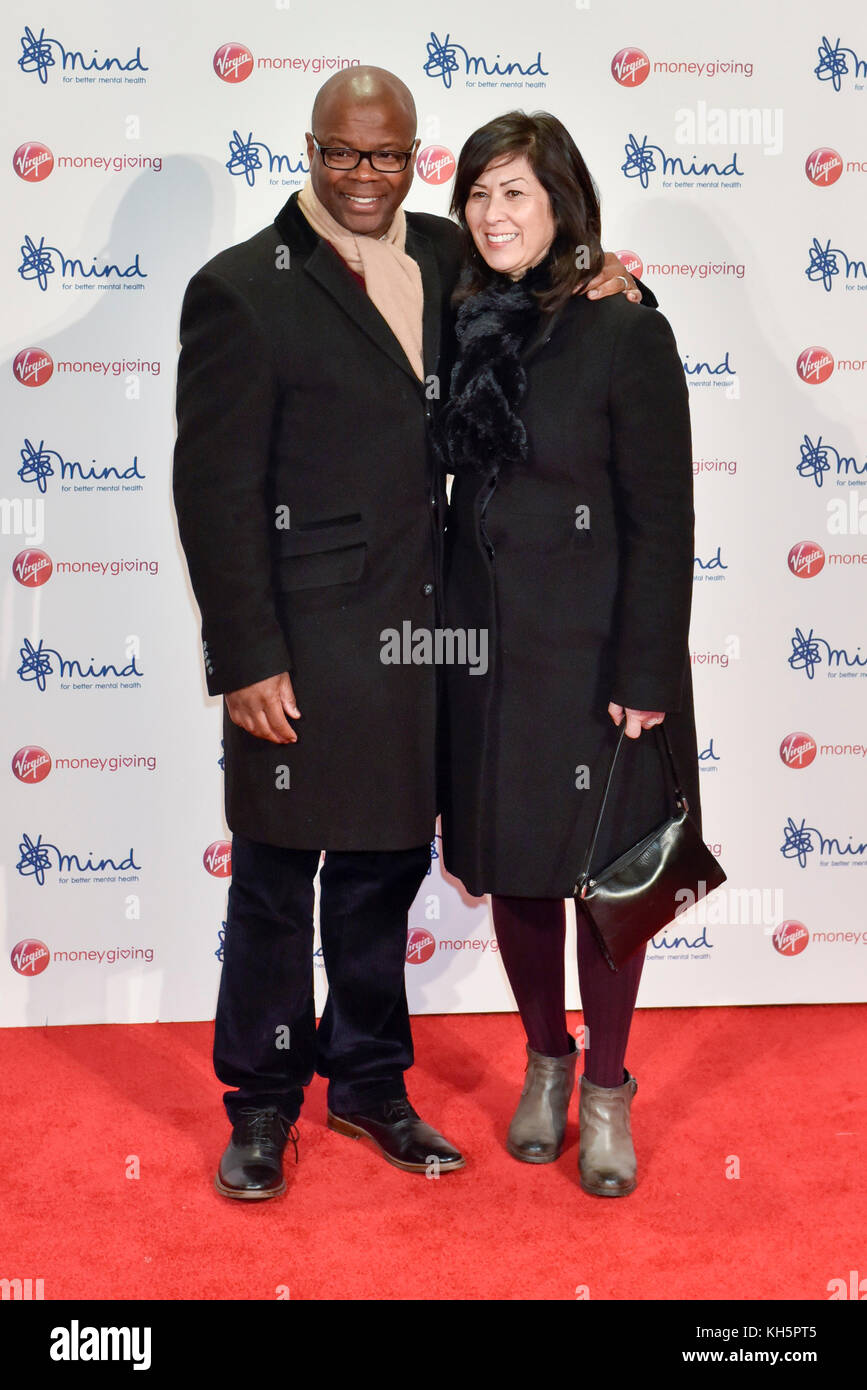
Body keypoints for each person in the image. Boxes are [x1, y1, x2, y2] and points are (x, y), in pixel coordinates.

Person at [173, 71, 647, 1201]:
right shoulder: (241, 289)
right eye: (346, 154)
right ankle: (263, 1102)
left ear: (413, 160)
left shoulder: (444, 255)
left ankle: (372, 1084)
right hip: (295, 642)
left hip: (421, 641)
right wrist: (244, 656)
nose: (367, 177)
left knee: (381, 872)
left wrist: (608, 274)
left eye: (389, 158)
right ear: (310, 149)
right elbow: (213, 489)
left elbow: (545, 272)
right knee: (279, 881)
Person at [438, 111, 700, 1197]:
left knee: (612, 877)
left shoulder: (625, 328)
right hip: (484, 646)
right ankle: (544, 1055)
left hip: (597, 654)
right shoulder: (456, 317)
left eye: (518, 194)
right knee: (512, 864)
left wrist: (645, 670)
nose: (495, 215)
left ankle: (606, 1084)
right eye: (480, 193)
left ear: (563, 207)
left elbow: (663, 513)